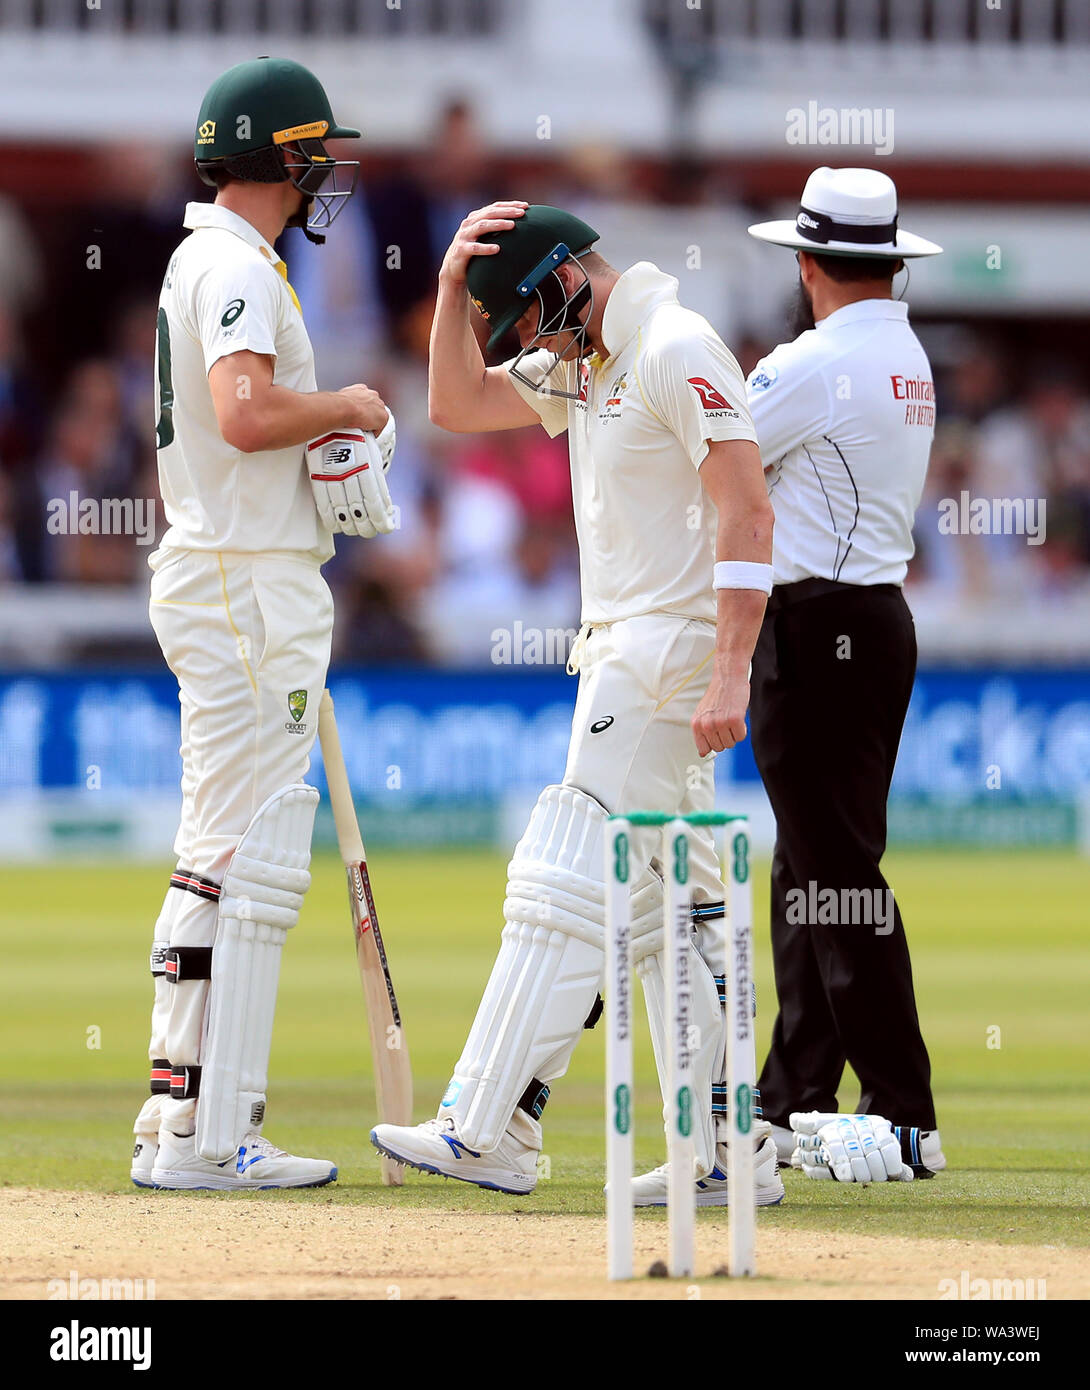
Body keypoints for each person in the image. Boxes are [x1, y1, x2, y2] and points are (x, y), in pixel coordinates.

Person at [372, 202, 783, 1207]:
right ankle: (730, 1150)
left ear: (566, 276)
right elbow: (456, 404)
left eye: (523, 316)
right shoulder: (587, 363)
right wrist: (445, 294)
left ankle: (488, 1123)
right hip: (617, 653)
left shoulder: (675, 347)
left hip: (665, 651)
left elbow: (749, 507)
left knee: (565, 866)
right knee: (661, 911)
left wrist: (732, 669)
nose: (523, 343)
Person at [131, 57, 396, 1190]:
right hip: (245, 576)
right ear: (281, 156)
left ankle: (175, 1112)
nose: (324, 170)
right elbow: (244, 415)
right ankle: (212, 1132)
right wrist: (347, 405)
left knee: (214, 848)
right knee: (253, 851)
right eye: (314, 151)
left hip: (227, 571)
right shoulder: (234, 265)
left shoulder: (205, 258)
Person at [744, 167, 946, 1181]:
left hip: (815, 621)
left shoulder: (811, 363)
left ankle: (903, 1110)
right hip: (873, 620)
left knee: (832, 879)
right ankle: (792, 1100)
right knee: (816, 866)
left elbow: (721, 456)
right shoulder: (907, 356)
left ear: (807, 263)